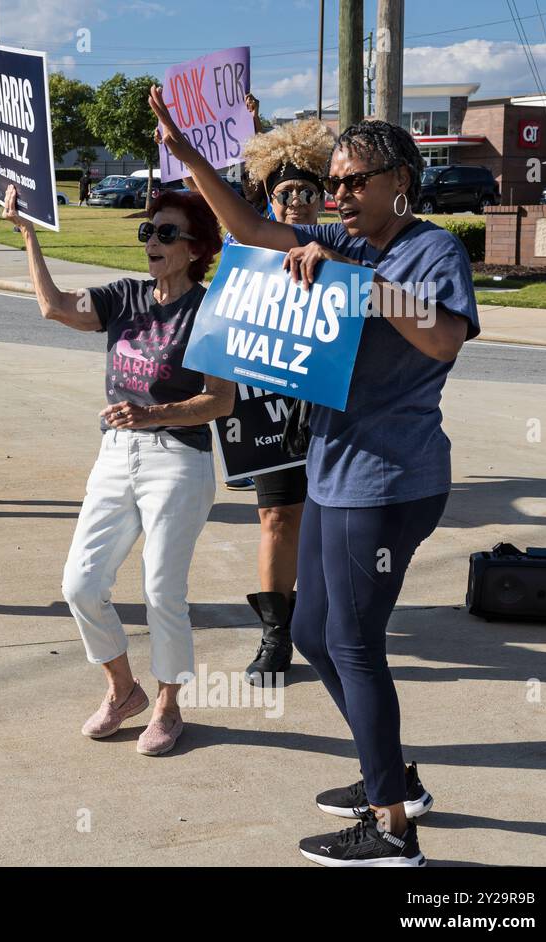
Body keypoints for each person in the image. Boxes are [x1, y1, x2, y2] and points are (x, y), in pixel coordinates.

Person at [150, 85, 478, 865]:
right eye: (331, 184)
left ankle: (395, 829)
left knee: (355, 642)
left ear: (400, 181)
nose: (337, 196)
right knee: (306, 629)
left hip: (394, 478)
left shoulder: (430, 250)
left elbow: (442, 343)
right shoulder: (350, 241)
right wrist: (189, 153)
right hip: (333, 469)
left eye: (351, 182)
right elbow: (252, 228)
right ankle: (390, 775)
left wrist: (352, 278)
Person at [4, 181, 232, 757]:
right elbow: (54, 307)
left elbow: (220, 401)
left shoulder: (208, 310)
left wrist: (152, 413)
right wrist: (28, 235)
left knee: (162, 591)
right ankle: (122, 689)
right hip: (116, 453)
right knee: (80, 583)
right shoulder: (125, 296)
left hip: (178, 458)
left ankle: (168, 705)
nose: (151, 241)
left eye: (166, 233)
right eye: (147, 231)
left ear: (197, 246)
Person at [232, 118, 337, 687]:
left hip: (334, 412)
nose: (296, 200)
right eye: (283, 192)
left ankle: (331, 628)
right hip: (268, 410)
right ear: (268, 198)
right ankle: (276, 636)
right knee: (276, 518)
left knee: (332, 523)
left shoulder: (343, 252)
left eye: (307, 192)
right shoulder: (246, 254)